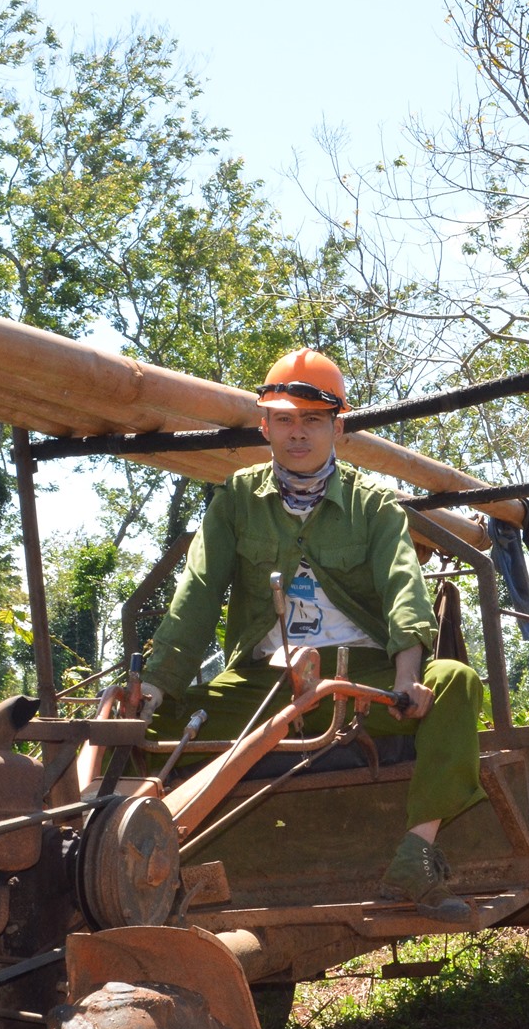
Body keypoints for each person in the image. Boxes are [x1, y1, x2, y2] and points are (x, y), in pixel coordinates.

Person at [139, 347, 486, 922]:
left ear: (337, 428)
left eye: (312, 420)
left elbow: (405, 590)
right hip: (267, 683)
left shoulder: (375, 506)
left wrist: (407, 679)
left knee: (455, 683)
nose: (297, 433)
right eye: (284, 420)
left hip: (359, 680)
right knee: (142, 727)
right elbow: (195, 596)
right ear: (265, 426)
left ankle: (416, 855)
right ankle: (134, 861)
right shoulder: (235, 501)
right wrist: (154, 686)